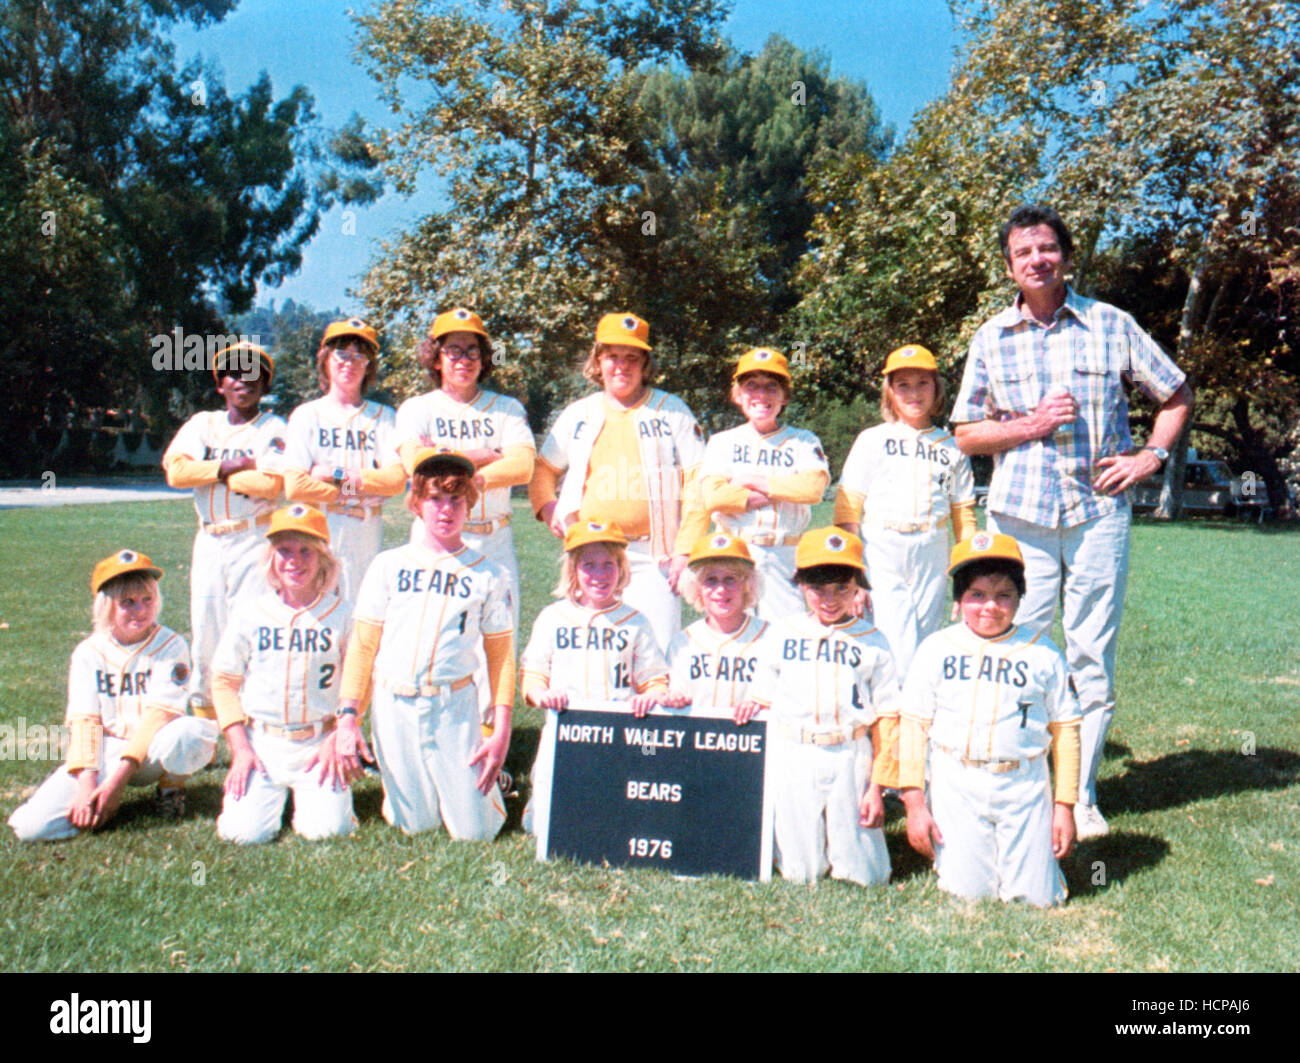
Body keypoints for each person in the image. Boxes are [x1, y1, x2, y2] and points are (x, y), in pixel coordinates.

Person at [950, 204, 1193, 840]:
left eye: (1047, 248)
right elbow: (966, 434)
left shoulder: (1112, 325)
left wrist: (1150, 457)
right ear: (1009, 265)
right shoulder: (990, 338)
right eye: (1024, 252)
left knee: (1090, 655)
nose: (1037, 260)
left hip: (1096, 515)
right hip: (1020, 515)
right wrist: (1027, 425)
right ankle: (1014, 781)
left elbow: (1176, 394)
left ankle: (1078, 797)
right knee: (1014, 648)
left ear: (1066, 254)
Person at [337, 448, 514, 840]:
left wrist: (501, 731)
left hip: (453, 705)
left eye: (456, 498)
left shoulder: (488, 574)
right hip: (393, 702)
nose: (446, 509)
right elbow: (364, 646)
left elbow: (501, 658)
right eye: (435, 498)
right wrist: (348, 715)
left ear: (470, 503)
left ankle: (488, 790)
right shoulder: (388, 564)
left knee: (475, 833)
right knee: (415, 826)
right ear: (416, 503)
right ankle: (417, 791)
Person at [899, 532, 1080, 907]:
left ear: (1019, 599)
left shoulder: (1043, 654)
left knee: (1036, 899)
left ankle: (1036, 866)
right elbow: (913, 728)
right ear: (959, 600)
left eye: (1004, 596)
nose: (990, 607)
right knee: (969, 894)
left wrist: (1064, 807)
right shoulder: (936, 649)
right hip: (957, 780)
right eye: (976, 595)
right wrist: (915, 805)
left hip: (1023, 781)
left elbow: (1067, 733)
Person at [9, 550, 218, 840]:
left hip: (154, 751)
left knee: (190, 732)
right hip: (107, 750)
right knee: (31, 829)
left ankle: (171, 788)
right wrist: (87, 785)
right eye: (128, 603)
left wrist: (117, 784)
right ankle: (100, 806)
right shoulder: (88, 653)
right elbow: (85, 722)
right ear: (107, 607)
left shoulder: (171, 645)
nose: (140, 610)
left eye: (147, 600)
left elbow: (157, 718)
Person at [529, 312, 706, 650]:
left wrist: (685, 550)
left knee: (657, 650)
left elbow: (700, 482)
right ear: (598, 360)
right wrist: (548, 507)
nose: (621, 366)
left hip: (654, 555)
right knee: (592, 651)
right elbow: (543, 469)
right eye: (612, 357)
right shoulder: (579, 413)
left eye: (632, 358)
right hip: (591, 554)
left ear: (646, 363)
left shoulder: (672, 411)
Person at [746, 527, 899, 886]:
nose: (829, 599)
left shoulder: (873, 641)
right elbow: (761, 702)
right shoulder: (782, 633)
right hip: (795, 750)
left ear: (857, 587)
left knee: (868, 875)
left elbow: (888, 718)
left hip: (850, 751)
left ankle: (852, 852)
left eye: (841, 588)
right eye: (817, 589)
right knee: (800, 873)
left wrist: (878, 786)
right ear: (800, 585)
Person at [211, 504, 367, 844]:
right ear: (271, 558)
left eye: (305, 551)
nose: (294, 560)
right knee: (241, 834)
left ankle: (307, 801)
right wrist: (240, 749)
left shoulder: (341, 614)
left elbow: (360, 682)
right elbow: (223, 682)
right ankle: (270, 799)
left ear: (323, 558)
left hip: (318, 742)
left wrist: (338, 735)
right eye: (284, 550)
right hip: (262, 742)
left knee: (326, 832)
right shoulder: (252, 612)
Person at [519, 519, 672, 835]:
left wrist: (650, 697)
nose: (600, 575)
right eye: (589, 565)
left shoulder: (635, 622)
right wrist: (542, 695)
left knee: (618, 820)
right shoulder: (552, 617)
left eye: (609, 565)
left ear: (622, 569)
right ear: (573, 570)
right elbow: (533, 677)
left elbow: (655, 680)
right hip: (567, 729)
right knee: (541, 826)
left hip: (618, 731)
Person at [162, 342, 287, 719]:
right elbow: (176, 472)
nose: (243, 381)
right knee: (205, 633)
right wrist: (229, 466)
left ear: (264, 386)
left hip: (254, 537)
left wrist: (210, 470)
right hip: (211, 538)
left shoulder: (274, 427)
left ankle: (249, 726)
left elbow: (271, 484)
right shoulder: (203, 423)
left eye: (254, 375)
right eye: (234, 374)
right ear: (220, 385)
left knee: (249, 630)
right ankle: (203, 729)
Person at [835, 344, 976, 677]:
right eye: (903, 385)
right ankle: (892, 716)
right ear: (890, 392)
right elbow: (846, 510)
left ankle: (913, 715)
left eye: (922, 383)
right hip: (881, 544)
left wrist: (965, 570)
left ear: (937, 387)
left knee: (924, 636)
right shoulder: (873, 439)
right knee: (893, 637)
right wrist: (853, 572)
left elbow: (963, 516)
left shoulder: (952, 447)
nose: (914, 393)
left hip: (932, 545)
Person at [394, 307, 535, 631]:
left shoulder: (507, 408)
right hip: (434, 540)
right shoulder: (417, 408)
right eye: (453, 350)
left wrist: (448, 461)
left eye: (473, 350)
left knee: (498, 641)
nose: (464, 358)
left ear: (485, 358)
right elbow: (417, 466)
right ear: (435, 358)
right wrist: (480, 454)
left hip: (494, 537)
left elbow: (523, 467)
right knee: (433, 641)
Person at [687, 348, 829, 621]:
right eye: (751, 386)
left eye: (771, 387)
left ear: (784, 396)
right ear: (737, 395)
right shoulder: (723, 441)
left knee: (788, 632)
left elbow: (812, 490)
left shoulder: (803, 440)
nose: (761, 395)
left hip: (785, 552)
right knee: (737, 632)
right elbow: (714, 497)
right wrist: (783, 489)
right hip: (736, 551)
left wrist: (754, 481)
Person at [280, 318, 405, 602]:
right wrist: (356, 492)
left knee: (362, 614)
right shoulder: (306, 414)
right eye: (342, 354)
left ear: (369, 366)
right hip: (319, 528)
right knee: (317, 612)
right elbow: (295, 487)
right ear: (325, 359)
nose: (350, 362)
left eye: (360, 355)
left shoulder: (383, 416)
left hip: (365, 531)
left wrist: (331, 473)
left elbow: (395, 482)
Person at [666, 532, 768, 720]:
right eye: (710, 580)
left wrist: (761, 703)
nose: (721, 590)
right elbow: (673, 692)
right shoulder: (683, 642)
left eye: (731, 579)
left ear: (748, 584)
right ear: (696, 587)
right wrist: (674, 698)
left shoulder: (770, 638)